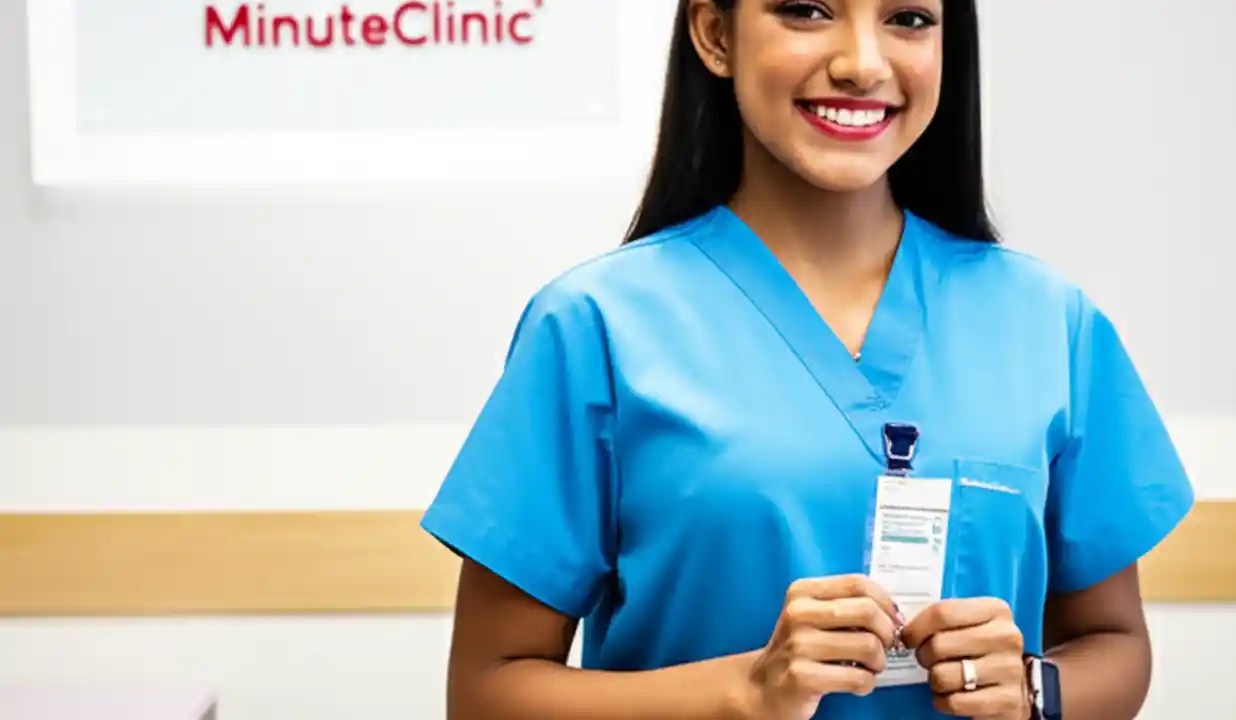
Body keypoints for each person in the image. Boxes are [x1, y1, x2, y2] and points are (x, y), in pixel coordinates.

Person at [419, 0, 1195, 718]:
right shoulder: (596, 326)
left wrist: (1031, 689)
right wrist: (743, 691)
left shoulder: (1048, 321)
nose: (862, 61)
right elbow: (489, 690)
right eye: (807, 9)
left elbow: (1114, 646)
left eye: (909, 18)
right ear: (715, 36)